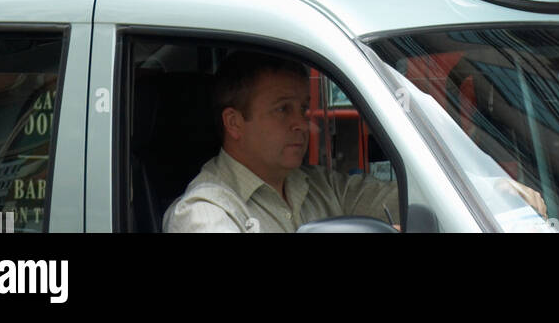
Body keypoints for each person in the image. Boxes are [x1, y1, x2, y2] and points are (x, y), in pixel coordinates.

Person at [162, 51, 399, 233]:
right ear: (234, 122)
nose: (301, 123)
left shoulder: (320, 185)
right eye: (283, 109)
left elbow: (414, 200)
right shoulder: (204, 213)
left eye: (303, 108)